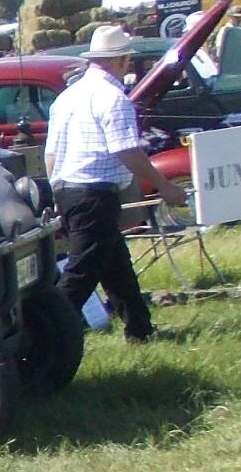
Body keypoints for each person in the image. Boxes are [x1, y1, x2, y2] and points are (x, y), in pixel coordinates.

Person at [44, 23, 189, 343]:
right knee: (81, 275)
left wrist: (57, 191)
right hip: (95, 194)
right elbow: (126, 149)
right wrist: (164, 186)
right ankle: (45, 339)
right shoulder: (113, 98)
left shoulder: (67, 98)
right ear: (121, 61)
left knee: (116, 268)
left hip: (71, 190)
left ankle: (140, 330)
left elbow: (52, 153)